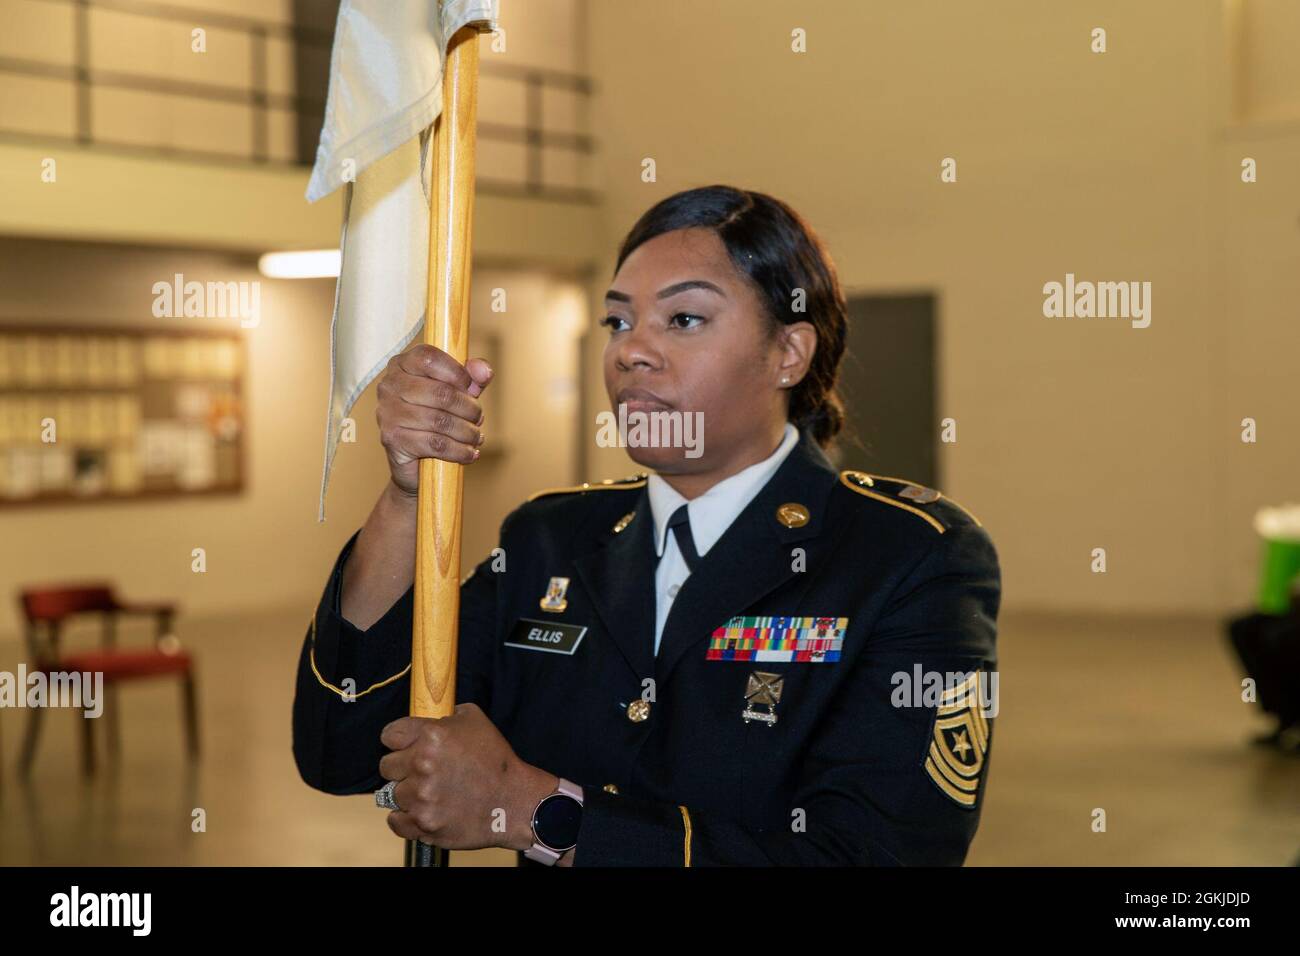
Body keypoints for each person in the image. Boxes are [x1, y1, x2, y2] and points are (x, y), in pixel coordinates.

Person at [292, 185, 1001, 866]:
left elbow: (877, 853)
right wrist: (407, 496)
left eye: (683, 319)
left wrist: (535, 810)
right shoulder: (551, 541)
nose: (632, 350)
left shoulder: (905, 559)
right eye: (618, 321)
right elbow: (343, 745)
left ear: (788, 353)